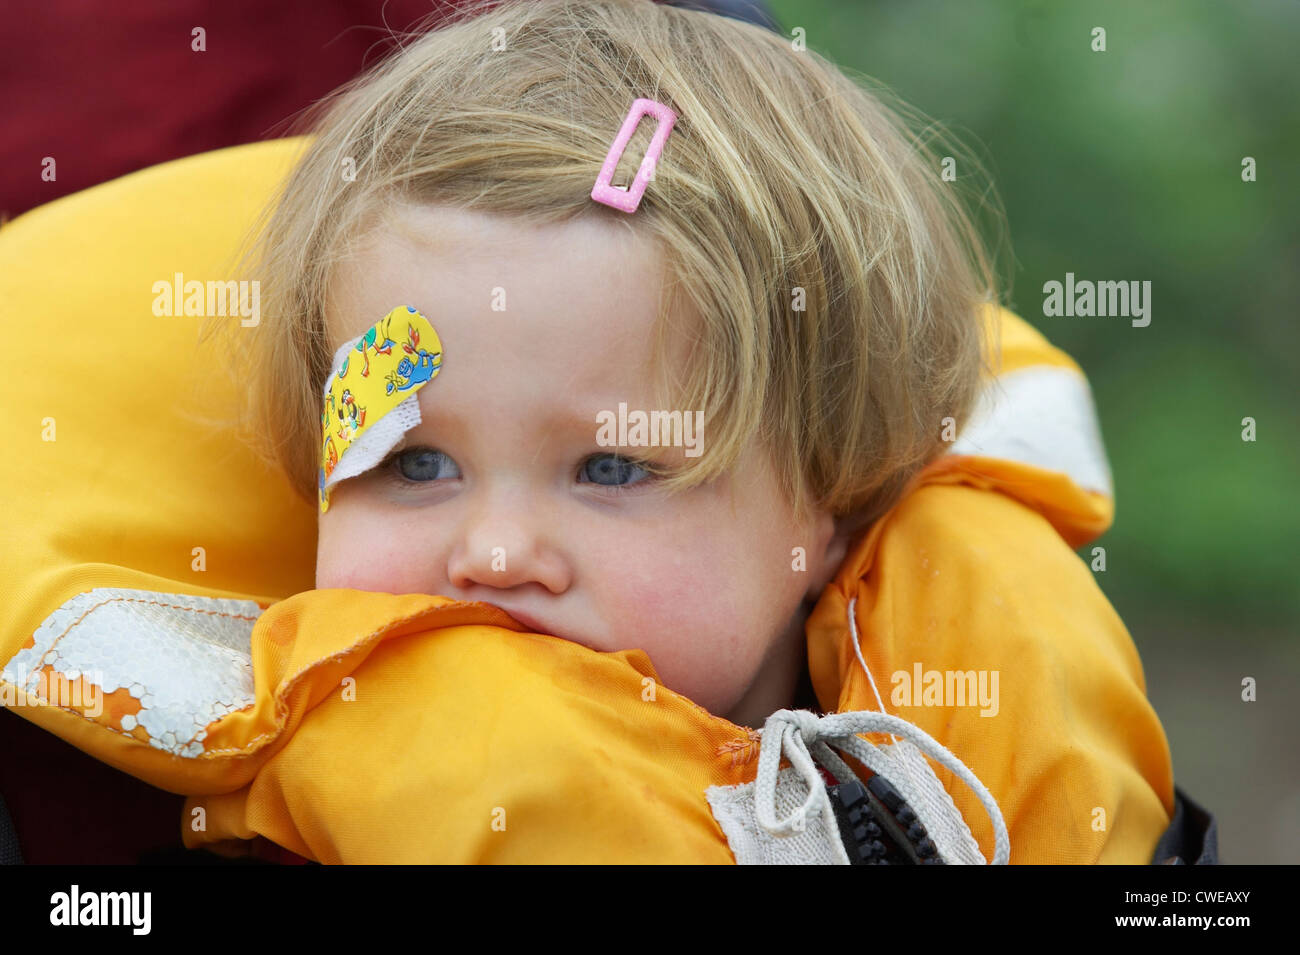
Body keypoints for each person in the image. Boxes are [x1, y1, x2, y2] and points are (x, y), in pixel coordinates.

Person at [206, 0, 1187, 863]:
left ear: (833, 497)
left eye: (612, 465)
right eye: (416, 462)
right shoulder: (286, 830)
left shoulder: (976, 775)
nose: (497, 555)